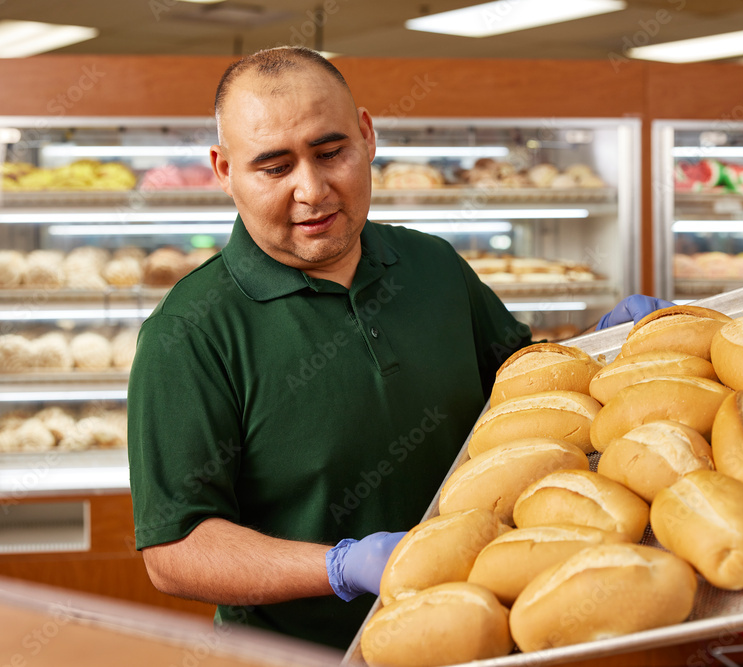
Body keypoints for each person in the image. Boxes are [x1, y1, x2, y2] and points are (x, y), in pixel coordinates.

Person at [126, 45, 671, 650]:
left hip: (485, 632)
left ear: (366, 135)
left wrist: (605, 347)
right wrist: (340, 567)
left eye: (331, 153)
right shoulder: (189, 333)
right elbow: (175, 550)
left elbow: (518, 386)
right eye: (274, 168)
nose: (312, 189)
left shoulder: (431, 263)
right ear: (225, 171)